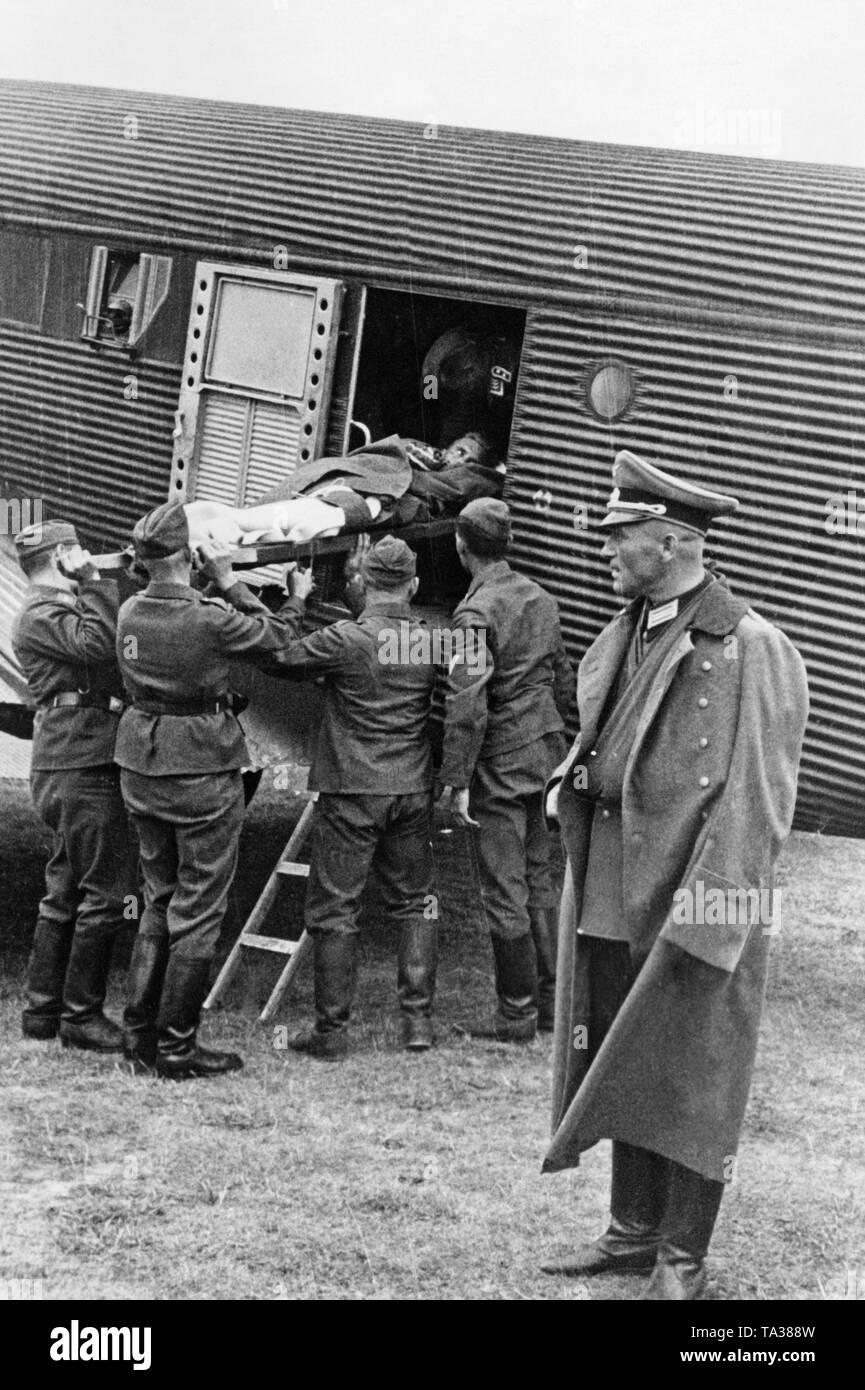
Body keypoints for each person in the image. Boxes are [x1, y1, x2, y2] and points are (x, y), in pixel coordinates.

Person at [540, 450, 809, 1300]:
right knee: (622, 1048)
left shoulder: (751, 645)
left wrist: (713, 919)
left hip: (693, 895)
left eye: (619, 537)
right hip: (618, 880)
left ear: (670, 542)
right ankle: (630, 1234)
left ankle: (681, 1258)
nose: (604, 550)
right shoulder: (632, 625)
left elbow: (759, 802)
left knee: (693, 1068)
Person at [114, 501, 304, 1080]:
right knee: (199, 907)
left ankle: (137, 1037)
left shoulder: (128, 612)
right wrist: (235, 583)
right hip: (199, 765)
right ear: (189, 555)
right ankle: (176, 1049)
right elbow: (281, 642)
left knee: (160, 897)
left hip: (141, 762)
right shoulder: (209, 616)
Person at [261, 535, 438, 1059]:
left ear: (362, 582)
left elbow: (278, 654)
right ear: (415, 585)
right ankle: (418, 1024)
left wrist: (294, 600)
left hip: (351, 788)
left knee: (336, 908)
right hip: (410, 786)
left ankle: (332, 1032)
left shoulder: (344, 639)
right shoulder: (428, 641)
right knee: (416, 902)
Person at [437, 499, 575, 1040]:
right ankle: (550, 1009)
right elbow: (562, 676)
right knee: (540, 879)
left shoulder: (475, 613)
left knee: (503, 887)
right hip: (544, 752)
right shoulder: (540, 598)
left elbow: (466, 703)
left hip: (501, 762)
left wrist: (456, 779)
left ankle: (516, 1016)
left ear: (460, 546)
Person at [12, 519, 134, 1052]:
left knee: (64, 890)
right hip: (80, 763)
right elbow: (101, 644)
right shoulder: (42, 613)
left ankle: (42, 1013)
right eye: (78, 550)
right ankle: (81, 1016)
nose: (87, 555)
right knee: (106, 894)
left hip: (74, 759)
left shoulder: (52, 609)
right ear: (63, 555)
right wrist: (97, 583)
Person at [181, 431, 504, 548]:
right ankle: (220, 522)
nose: (455, 457)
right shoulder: (421, 453)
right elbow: (395, 453)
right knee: (292, 514)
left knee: (296, 522)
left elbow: (478, 481)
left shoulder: (465, 479)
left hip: (367, 497)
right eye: (457, 449)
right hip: (357, 485)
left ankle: (221, 523)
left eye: (467, 458)